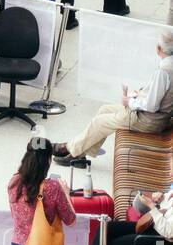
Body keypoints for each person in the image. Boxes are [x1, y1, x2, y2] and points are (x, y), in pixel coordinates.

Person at [54, 28, 173, 165]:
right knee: (104, 110)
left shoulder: (163, 72)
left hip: (146, 119)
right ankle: (80, 153)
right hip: (154, 118)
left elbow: (152, 105)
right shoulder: (168, 67)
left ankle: (71, 149)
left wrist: (130, 102)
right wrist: (138, 95)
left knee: (99, 123)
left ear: (159, 48)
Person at [7, 138, 76, 245]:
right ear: (48, 161)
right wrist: (66, 193)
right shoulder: (52, 187)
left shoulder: (14, 182)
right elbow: (71, 221)